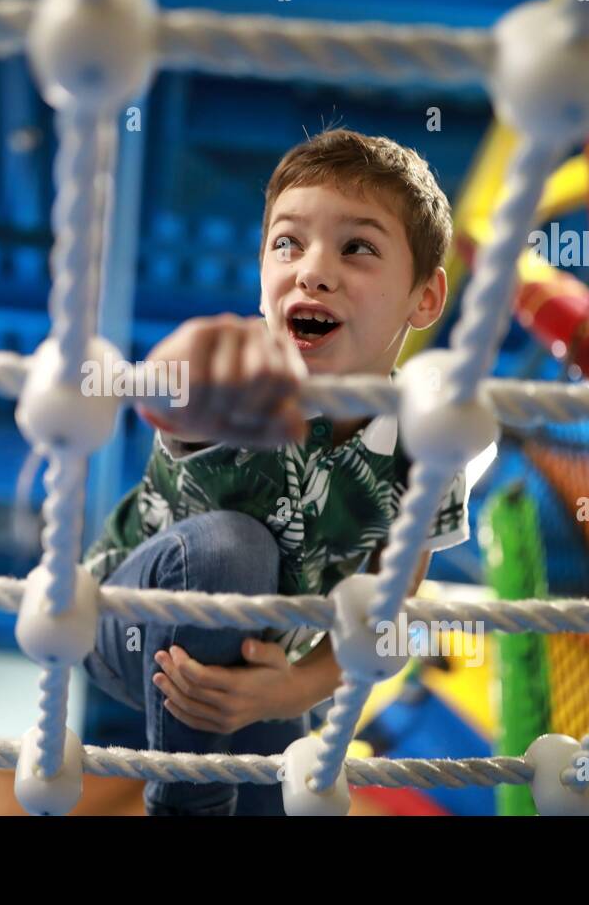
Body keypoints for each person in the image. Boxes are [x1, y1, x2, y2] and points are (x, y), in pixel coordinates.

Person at [81, 129, 470, 816]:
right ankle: (185, 806)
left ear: (426, 297)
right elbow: (175, 396)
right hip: (125, 625)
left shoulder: (429, 439)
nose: (312, 271)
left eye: (358, 247)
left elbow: (389, 607)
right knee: (236, 545)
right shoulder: (245, 379)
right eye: (287, 243)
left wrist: (295, 689)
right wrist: (186, 362)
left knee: (291, 792)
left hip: (257, 666)